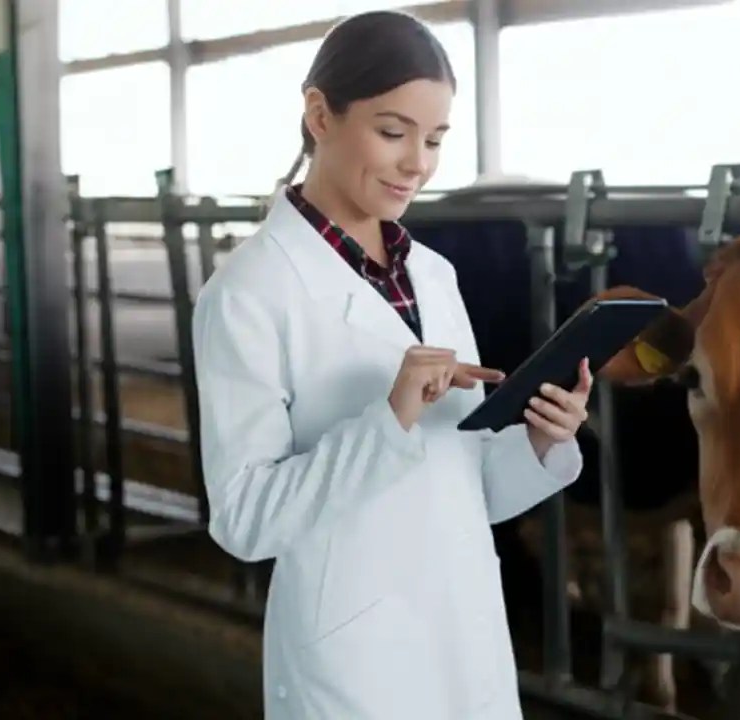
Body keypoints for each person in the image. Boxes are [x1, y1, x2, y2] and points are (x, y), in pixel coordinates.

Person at [191, 11, 590, 719]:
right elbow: (244, 520)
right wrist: (389, 419)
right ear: (319, 113)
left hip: (464, 637)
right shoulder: (249, 292)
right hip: (354, 661)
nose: (418, 163)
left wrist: (538, 438)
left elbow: (471, 487)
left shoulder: (433, 276)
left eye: (434, 139)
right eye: (393, 131)